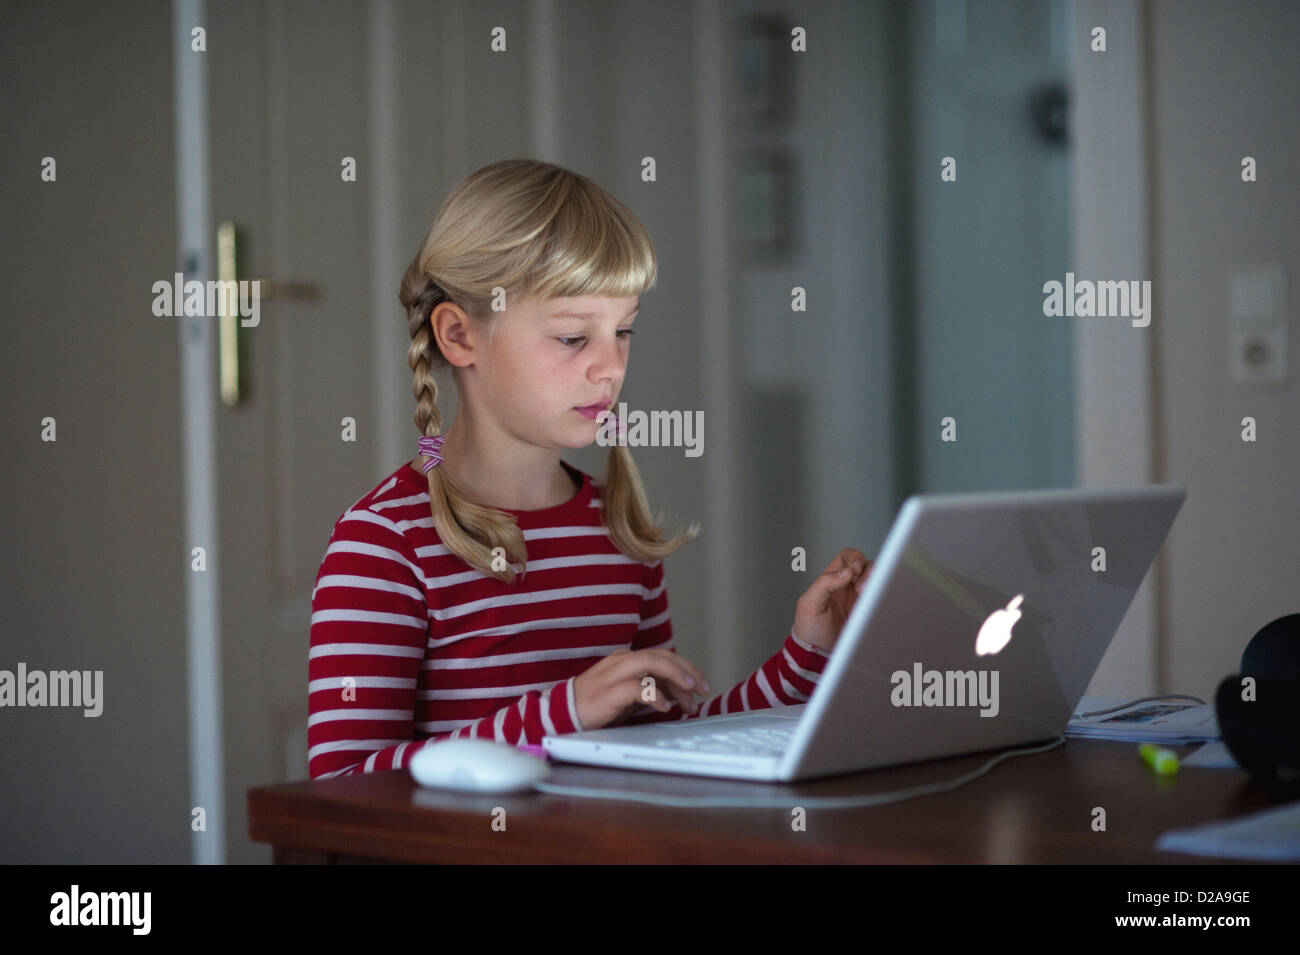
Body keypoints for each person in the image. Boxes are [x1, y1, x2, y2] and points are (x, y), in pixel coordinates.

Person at [307, 158, 871, 780]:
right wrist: (565, 711)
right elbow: (344, 782)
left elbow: (664, 743)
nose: (611, 367)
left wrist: (809, 652)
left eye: (623, 331)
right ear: (459, 337)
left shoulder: (617, 529)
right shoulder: (384, 544)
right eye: (574, 337)